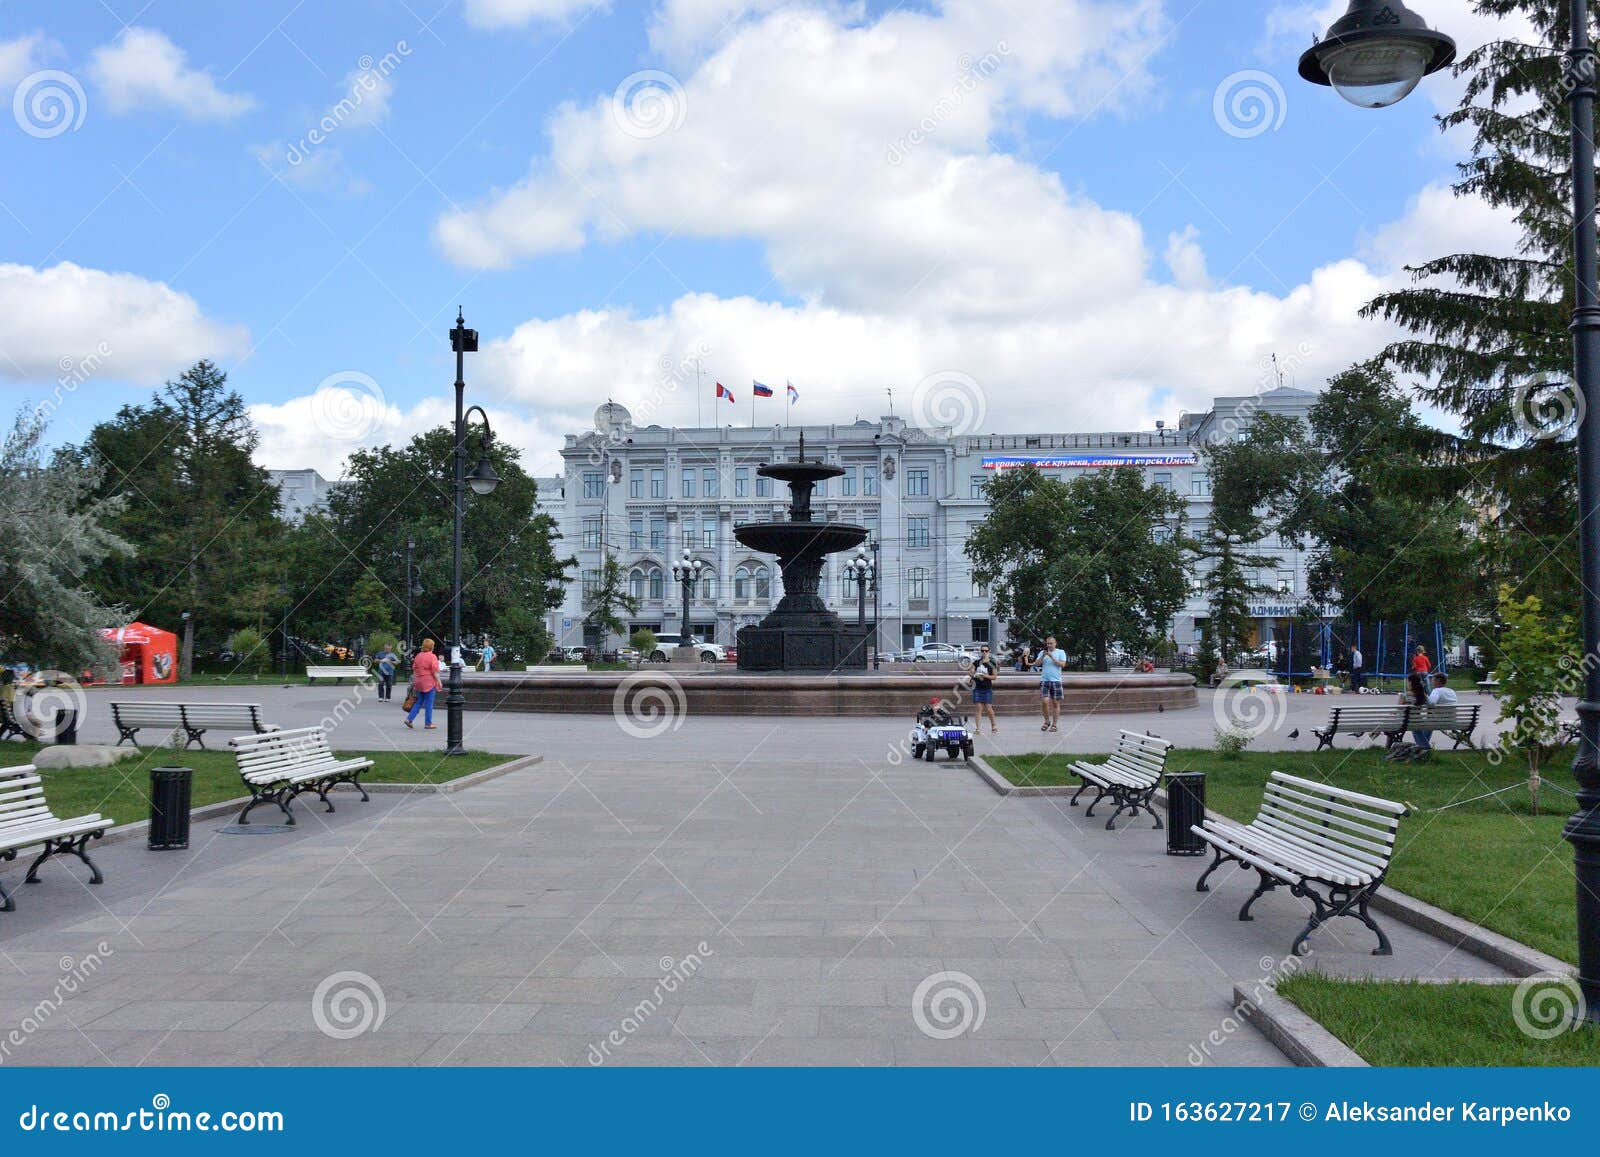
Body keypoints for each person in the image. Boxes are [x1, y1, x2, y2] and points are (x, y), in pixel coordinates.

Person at [1030, 635, 1067, 732]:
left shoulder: (1060, 652)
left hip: (1056, 681)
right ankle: (1047, 721)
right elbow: (1036, 664)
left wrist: (1052, 657)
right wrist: (1043, 656)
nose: (1049, 645)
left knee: (1055, 703)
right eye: (1047, 643)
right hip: (1044, 680)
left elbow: (1062, 665)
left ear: (1055, 643)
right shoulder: (1042, 652)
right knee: (1044, 701)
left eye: (1051, 643)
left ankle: (1054, 725)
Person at [405, 639, 441, 730]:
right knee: (429, 703)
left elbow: (414, 669)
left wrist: (415, 680)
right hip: (429, 682)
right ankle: (428, 723)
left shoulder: (418, 656)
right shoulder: (432, 656)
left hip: (419, 682)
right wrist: (439, 682)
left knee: (419, 702)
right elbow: (435, 671)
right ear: (431, 647)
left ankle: (409, 719)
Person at [970, 645, 999, 735]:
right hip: (977, 688)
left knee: (989, 708)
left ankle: (993, 725)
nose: (984, 652)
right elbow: (971, 671)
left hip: (987, 688)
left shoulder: (992, 663)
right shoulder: (976, 662)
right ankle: (978, 728)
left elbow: (994, 677)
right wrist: (973, 674)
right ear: (981, 652)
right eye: (982, 651)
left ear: (989, 652)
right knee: (978, 708)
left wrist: (985, 676)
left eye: (986, 651)